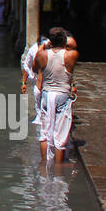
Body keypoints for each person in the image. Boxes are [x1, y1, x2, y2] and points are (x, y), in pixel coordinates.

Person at [33, 26, 78, 163]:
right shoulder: (71, 55)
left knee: (45, 133)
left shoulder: (42, 55)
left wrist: (44, 46)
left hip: (47, 94)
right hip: (62, 94)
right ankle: (58, 168)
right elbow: (72, 45)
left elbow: (35, 68)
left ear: (50, 41)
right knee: (60, 134)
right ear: (64, 41)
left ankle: (43, 164)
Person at [20, 34, 50, 126]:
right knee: (38, 96)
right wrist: (24, 83)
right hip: (37, 78)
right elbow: (27, 65)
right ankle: (40, 116)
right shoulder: (33, 50)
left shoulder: (52, 50)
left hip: (49, 79)